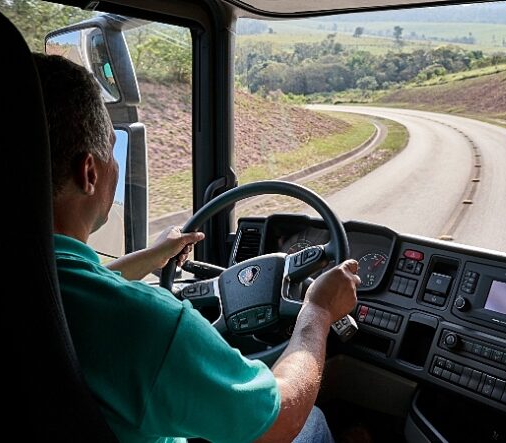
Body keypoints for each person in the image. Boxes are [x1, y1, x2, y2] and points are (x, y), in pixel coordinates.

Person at [34, 52, 360, 443]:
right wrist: (317, 311)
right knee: (314, 422)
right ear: (89, 172)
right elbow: (280, 419)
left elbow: (70, 285)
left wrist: (153, 257)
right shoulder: (146, 325)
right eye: (111, 151)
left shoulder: (38, 281)